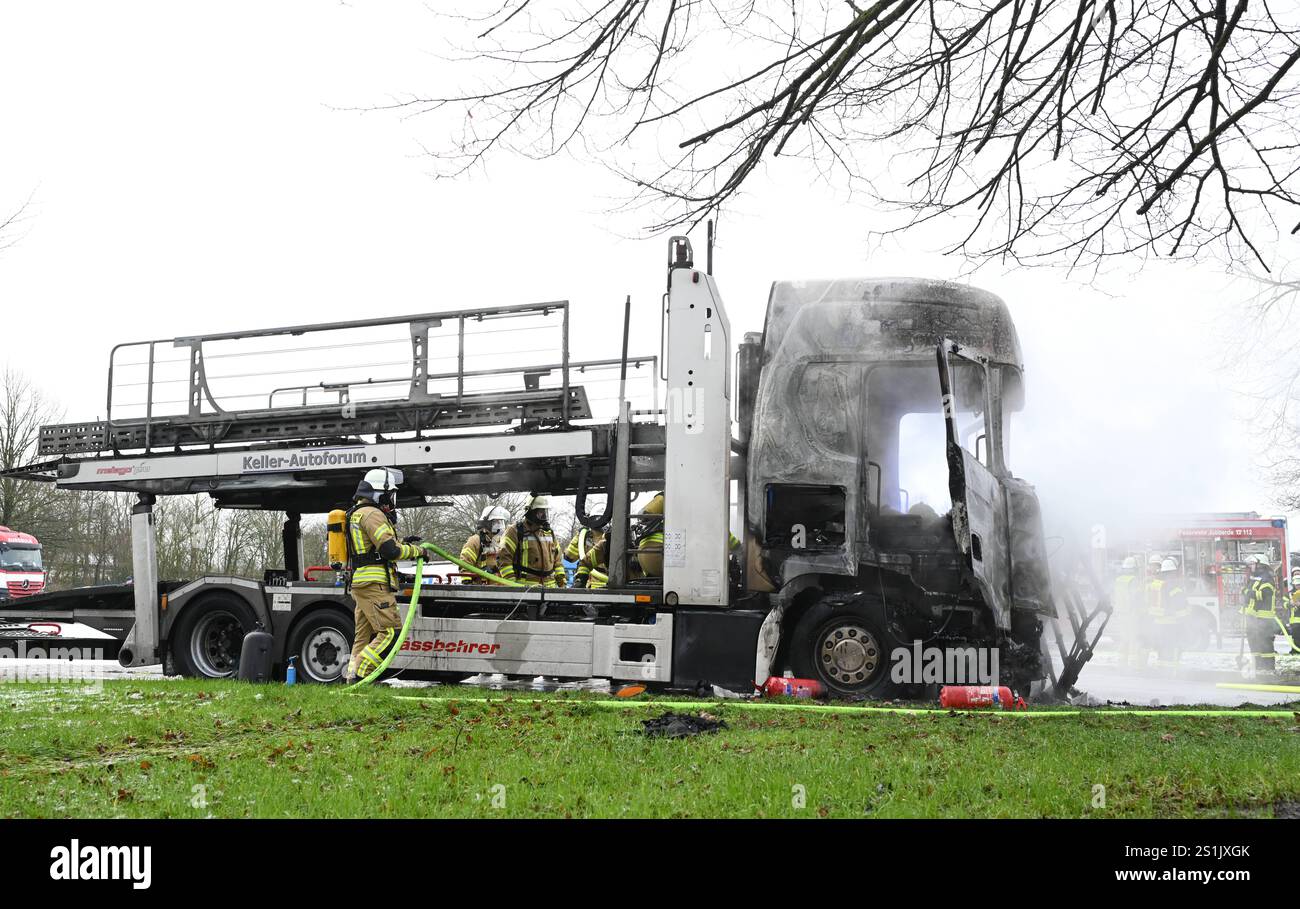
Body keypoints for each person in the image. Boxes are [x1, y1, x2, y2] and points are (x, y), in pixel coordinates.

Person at [343, 468, 423, 682]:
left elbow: (375, 549)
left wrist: (402, 542)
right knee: (390, 633)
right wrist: (418, 552)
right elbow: (391, 551)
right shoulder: (373, 514)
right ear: (381, 493)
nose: (391, 501)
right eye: (390, 495)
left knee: (363, 636)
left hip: (361, 583)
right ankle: (362, 674)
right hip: (374, 584)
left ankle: (351, 677)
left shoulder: (356, 512)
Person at [498, 494, 566, 588]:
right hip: (525, 591)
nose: (544, 515)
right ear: (530, 511)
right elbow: (504, 559)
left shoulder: (548, 532)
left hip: (550, 589)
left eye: (545, 511)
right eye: (540, 512)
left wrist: (562, 583)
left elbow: (558, 560)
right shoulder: (515, 531)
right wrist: (512, 585)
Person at [1241, 558, 1281, 674]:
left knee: (1265, 643)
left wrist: (1248, 593)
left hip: (1264, 617)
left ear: (1261, 565)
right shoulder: (1255, 579)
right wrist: (1247, 592)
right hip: (1254, 617)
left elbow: (1264, 594)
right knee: (1254, 642)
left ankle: (1268, 667)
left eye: (1253, 564)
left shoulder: (1267, 579)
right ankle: (1258, 664)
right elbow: (1246, 591)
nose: (1250, 566)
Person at [460, 504, 510, 583]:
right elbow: (465, 563)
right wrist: (467, 582)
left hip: (500, 589)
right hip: (481, 589)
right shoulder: (475, 541)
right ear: (487, 523)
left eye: (501, 522)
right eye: (496, 522)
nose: (500, 526)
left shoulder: (502, 542)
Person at [1112, 556, 1143, 667]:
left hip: (1120, 614)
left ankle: (1121, 662)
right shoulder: (1134, 581)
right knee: (1133, 639)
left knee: (1123, 638)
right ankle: (1133, 663)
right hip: (1131, 614)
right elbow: (1136, 598)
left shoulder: (1118, 580)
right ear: (1134, 569)